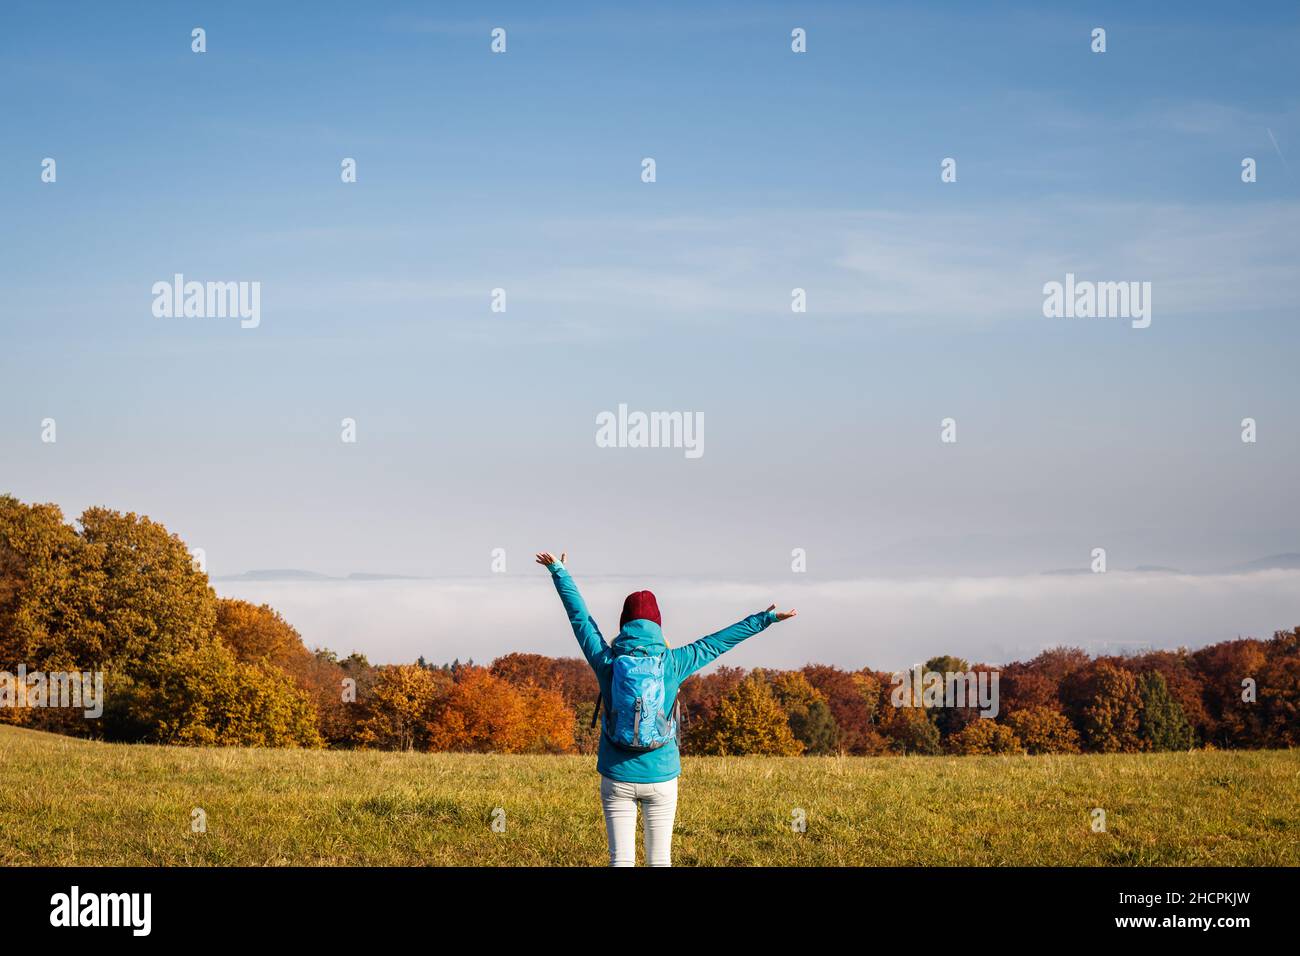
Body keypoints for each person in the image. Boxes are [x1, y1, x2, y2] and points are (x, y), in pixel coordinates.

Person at [535, 551, 796, 866]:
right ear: (657, 625)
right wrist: (763, 619)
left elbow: (581, 619)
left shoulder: (608, 661)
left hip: (617, 774)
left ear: (624, 623)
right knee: (660, 860)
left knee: (621, 861)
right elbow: (719, 642)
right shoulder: (674, 662)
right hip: (661, 775)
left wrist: (559, 571)